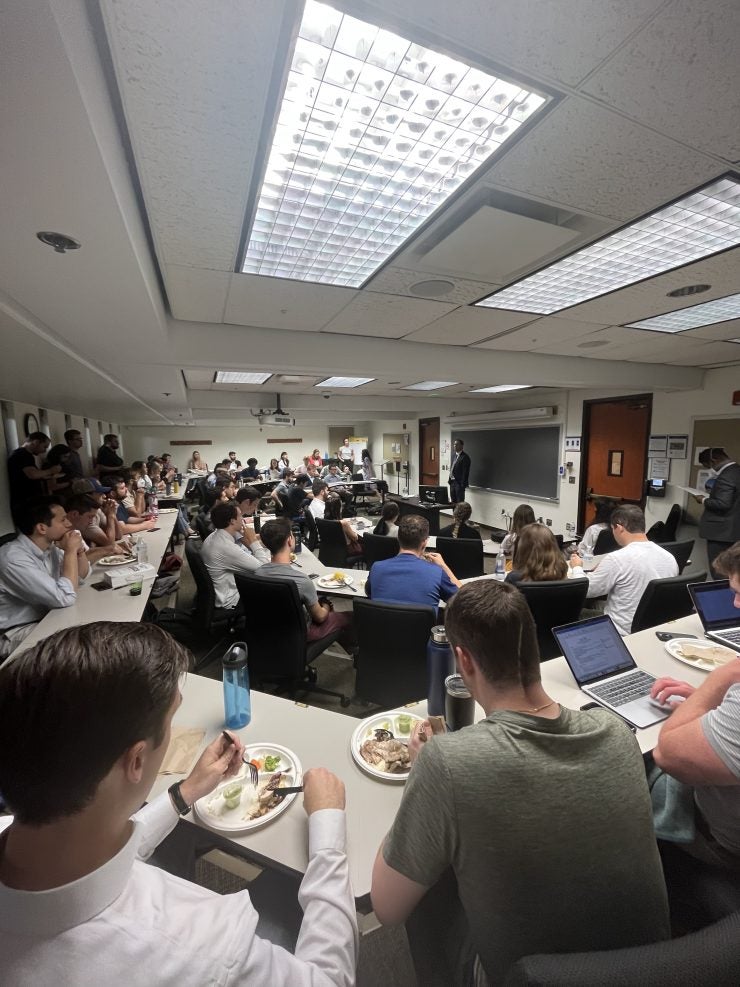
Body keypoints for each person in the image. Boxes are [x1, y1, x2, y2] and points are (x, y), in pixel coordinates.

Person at [0, 622, 358, 984]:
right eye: (171, 719)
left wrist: (183, 793)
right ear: (136, 761)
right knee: (285, 883)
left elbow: (87, 861)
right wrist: (327, 827)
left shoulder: (38, 844)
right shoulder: (202, 943)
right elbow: (331, 981)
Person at [371, 579, 669, 985]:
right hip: (654, 968)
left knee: (426, 888)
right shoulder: (616, 733)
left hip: (521, 977)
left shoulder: (447, 764)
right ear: (533, 645)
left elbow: (386, 909)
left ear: (464, 660)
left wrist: (423, 778)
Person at [650, 540, 740, 872]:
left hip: (721, 845)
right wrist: (706, 701)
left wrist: (721, 678)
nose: (735, 604)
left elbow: (668, 754)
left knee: (635, 763)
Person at [0, 498, 88, 659]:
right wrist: (69, 551)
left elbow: (80, 578)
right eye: (63, 520)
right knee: (80, 643)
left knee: (91, 625)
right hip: (16, 631)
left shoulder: (50, 549)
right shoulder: (13, 559)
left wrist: (79, 552)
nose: (69, 524)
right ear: (42, 528)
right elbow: (65, 597)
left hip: (49, 616)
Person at [570, 505, 678, 635]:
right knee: (596, 604)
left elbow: (586, 590)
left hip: (618, 629)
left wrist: (577, 566)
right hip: (651, 627)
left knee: (572, 612)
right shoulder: (669, 558)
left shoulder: (617, 559)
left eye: (612, 529)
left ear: (620, 528)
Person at [258, 518, 356, 653]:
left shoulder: (258, 573)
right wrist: (326, 606)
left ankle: (345, 643)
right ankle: (355, 654)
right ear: (289, 540)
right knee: (349, 616)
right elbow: (320, 617)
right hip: (302, 633)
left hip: (269, 631)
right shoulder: (302, 581)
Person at [366, 514, 460, 609]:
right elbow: (464, 601)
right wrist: (443, 566)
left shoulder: (376, 568)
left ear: (398, 538)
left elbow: (369, 593)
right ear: (425, 543)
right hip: (423, 624)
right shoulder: (437, 573)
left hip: (380, 623)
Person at [200, 502, 270, 610]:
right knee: (273, 588)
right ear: (232, 521)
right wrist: (253, 540)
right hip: (230, 600)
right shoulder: (225, 547)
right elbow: (265, 568)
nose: (242, 519)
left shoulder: (215, 535)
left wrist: (248, 538)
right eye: (240, 515)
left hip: (220, 592)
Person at [695, 447, 740, 574]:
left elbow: (723, 504)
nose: (710, 469)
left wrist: (703, 500)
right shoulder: (737, 471)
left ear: (714, 461)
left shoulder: (726, 476)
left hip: (721, 533)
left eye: (707, 465)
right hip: (734, 529)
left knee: (719, 569)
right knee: (733, 569)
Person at [7, 431, 61, 526]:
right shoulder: (21, 454)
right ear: (35, 442)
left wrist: (49, 476)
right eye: (44, 447)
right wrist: (51, 470)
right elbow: (33, 475)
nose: (44, 451)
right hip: (25, 501)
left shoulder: (27, 455)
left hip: (29, 500)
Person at [64, 494, 127, 565]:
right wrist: (108, 549)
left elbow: (86, 552)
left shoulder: (75, 531)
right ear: (74, 514)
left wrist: (111, 547)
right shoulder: (62, 535)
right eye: (89, 517)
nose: (91, 521)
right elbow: (76, 562)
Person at [324, 494, 363, 558]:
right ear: (338, 508)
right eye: (341, 506)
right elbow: (355, 538)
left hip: (331, 548)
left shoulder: (324, 521)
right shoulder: (343, 523)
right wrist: (356, 530)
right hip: (347, 549)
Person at [448, 439, 471, 504]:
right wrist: (450, 481)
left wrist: (462, 485)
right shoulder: (453, 456)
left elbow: (465, 472)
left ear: (462, 446)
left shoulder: (465, 457)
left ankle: (459, 514)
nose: (455, 446)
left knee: (460, 503)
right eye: (454, 444)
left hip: (459, 484)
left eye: (457, 444)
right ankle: (455, 514)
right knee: (453, 502)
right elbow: (453, 467)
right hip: (452, 482)